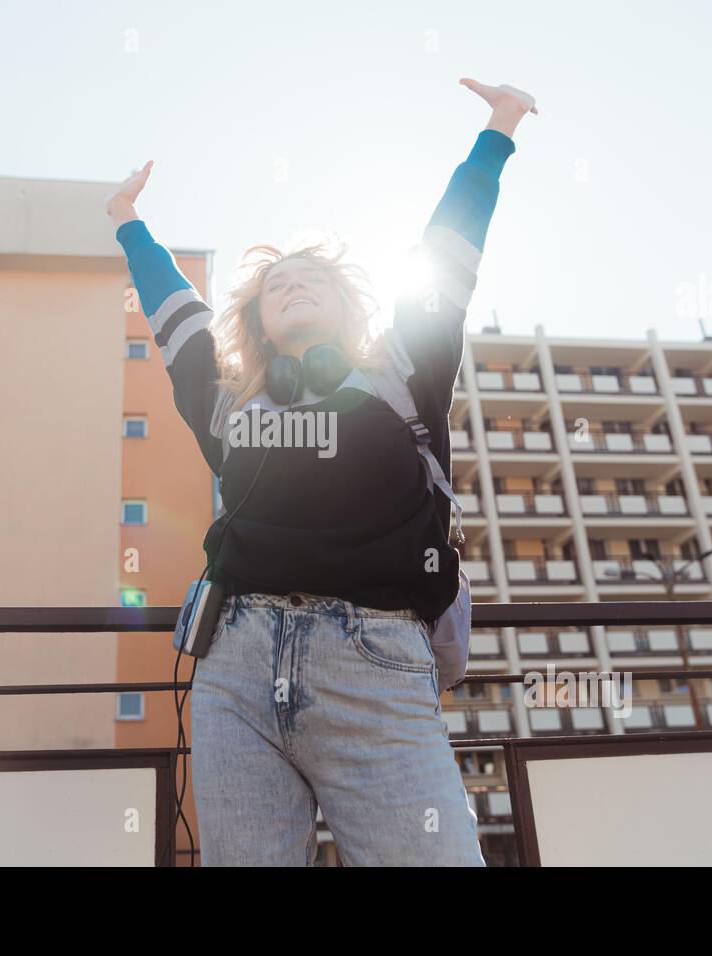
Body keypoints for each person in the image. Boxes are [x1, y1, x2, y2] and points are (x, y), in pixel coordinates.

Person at [108, 78, 535, 866]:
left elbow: (448, 251)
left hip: (373, 663)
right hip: (233, 669)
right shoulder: (228, 404)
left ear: (350, 308)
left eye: (311, 280)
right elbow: (176, 315)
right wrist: (129, 223)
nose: (292, 285)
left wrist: (497, 132)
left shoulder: (404, 371)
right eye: (275, 285)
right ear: (257, 321)